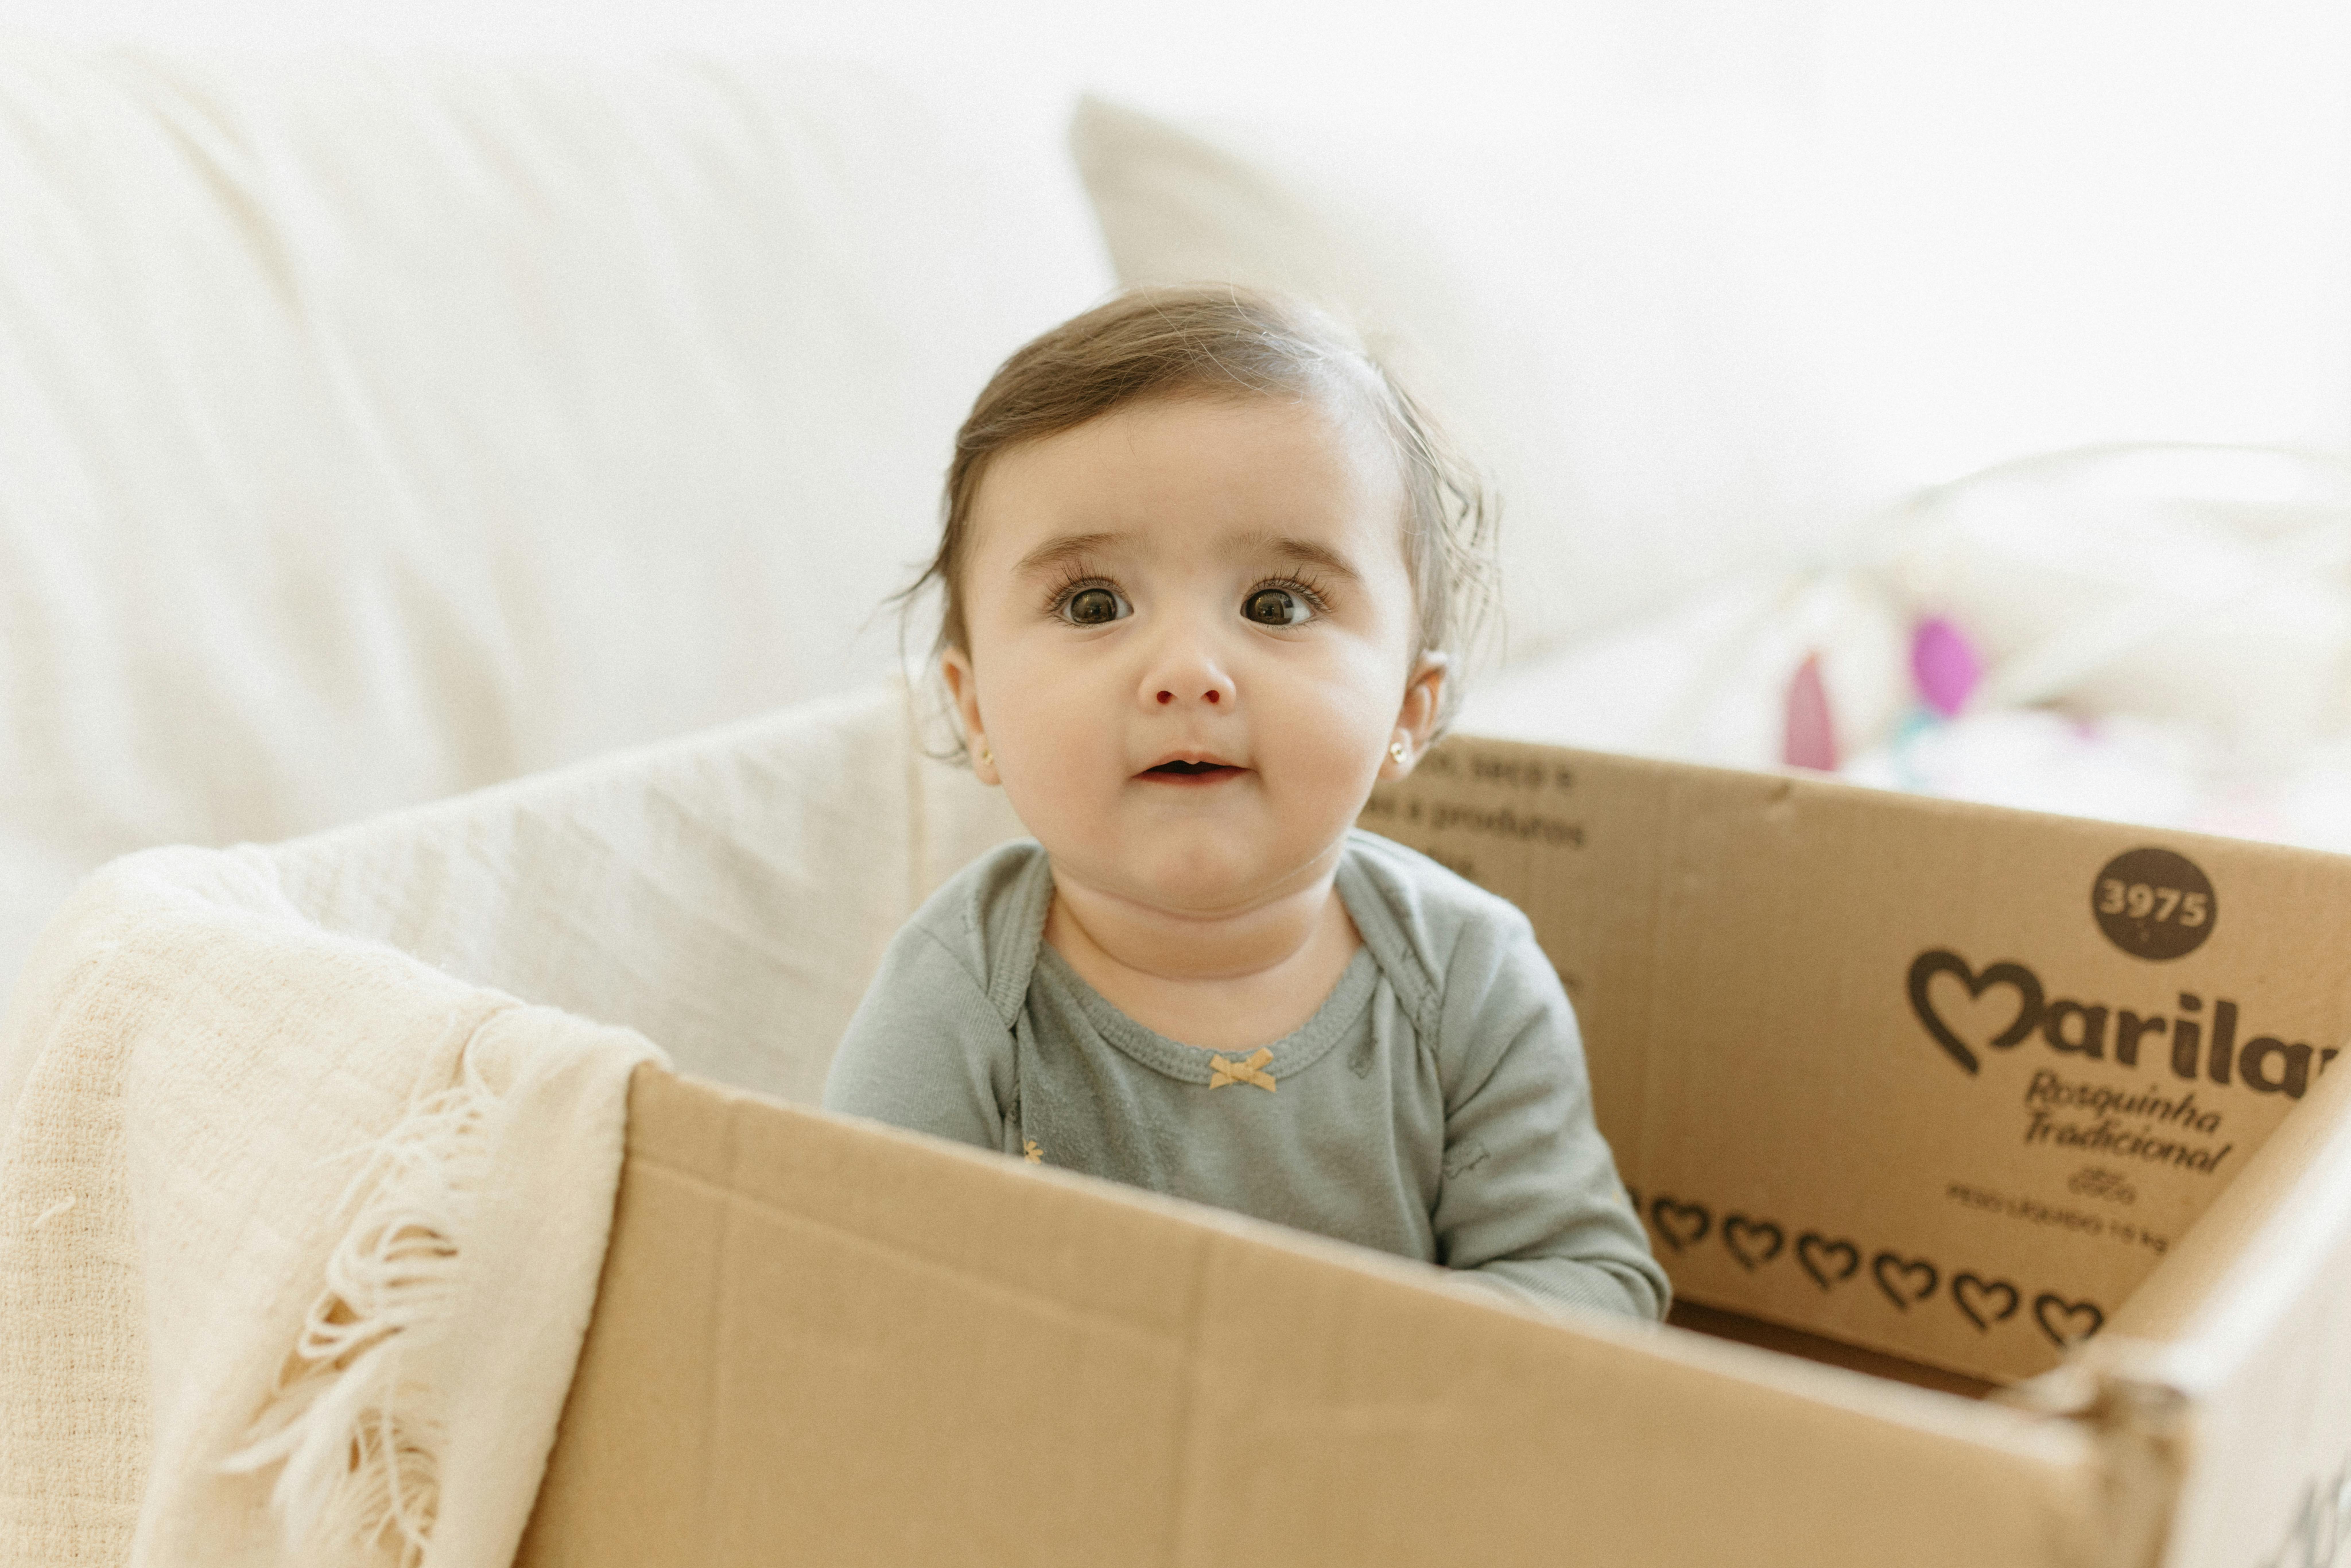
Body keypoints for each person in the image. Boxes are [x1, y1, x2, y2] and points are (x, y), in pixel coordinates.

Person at [823, 285, 1666, 1321]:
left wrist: (1344, 1388)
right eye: (1095, 605)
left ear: (1409, 708)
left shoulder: (1468, 983)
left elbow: (1593, 1283)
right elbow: (855, 1306)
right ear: (974, 708)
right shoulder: (958, 1003)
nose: (1186, 671)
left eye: (1278, 605)